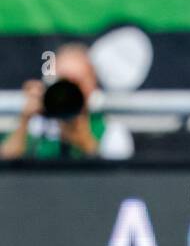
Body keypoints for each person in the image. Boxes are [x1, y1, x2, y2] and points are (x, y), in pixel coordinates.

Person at [1, 43, 133, 161]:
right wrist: (25, 120)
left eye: (76, 82)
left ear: (93, 85)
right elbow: (7, 172)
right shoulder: (36, 125)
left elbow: (114, 180)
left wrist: (84, 141)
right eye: (63, 81)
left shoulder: (111, 131)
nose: (69, 90)